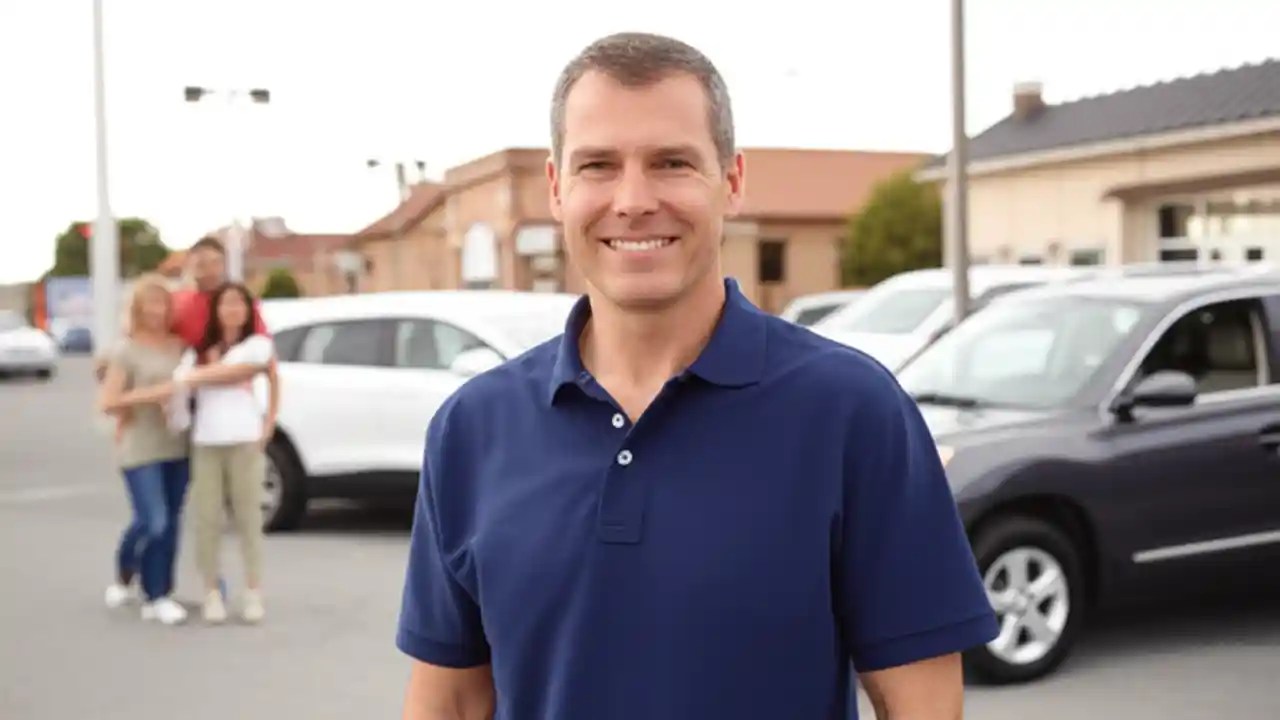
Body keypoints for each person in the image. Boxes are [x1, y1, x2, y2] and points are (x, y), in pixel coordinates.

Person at [395, 31, 999, 720]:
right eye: (598, 165)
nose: (633, 199)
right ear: (557, 189)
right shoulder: (472, 430)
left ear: (731, 181)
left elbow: (921, 702)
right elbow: (449, 701)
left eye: (671, 162)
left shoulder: (852, 412)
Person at [172, 281, 276, 625]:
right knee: (207, 520)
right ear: (215, 310)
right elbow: (189, 383)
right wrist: (198, 376)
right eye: (226, 303)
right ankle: (211, 591)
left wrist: (268, 425)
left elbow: (259, 374)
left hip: (244, 438)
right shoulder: (199, 350)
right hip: (207, 441)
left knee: (248, 518)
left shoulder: (257, 345)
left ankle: (253, 590)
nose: (233, 310)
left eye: (239, 304)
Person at [97, 273, 192, 626]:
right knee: (154, 521)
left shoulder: (179, 346)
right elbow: (108, 401)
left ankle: (157, 586)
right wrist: (154, 395)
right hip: (140, 446)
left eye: (162, 303)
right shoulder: (125, 349)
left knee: (166, 523)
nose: (157, 310)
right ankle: (152, 594)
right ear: (137, 309)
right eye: (150, 303)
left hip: (177, 444)